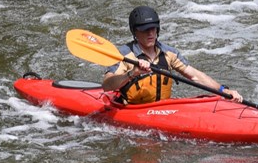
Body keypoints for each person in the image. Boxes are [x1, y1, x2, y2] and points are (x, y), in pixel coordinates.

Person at [99, 6, 245, 105]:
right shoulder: (125, 55)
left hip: (162, 109)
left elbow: (195, 76)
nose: (150, 33)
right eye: (145, 30)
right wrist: (132, 73)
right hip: (131, 109)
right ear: (135, 32)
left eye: (153, 29)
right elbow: (107, 85)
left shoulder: (169, 53)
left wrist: (223, 91)